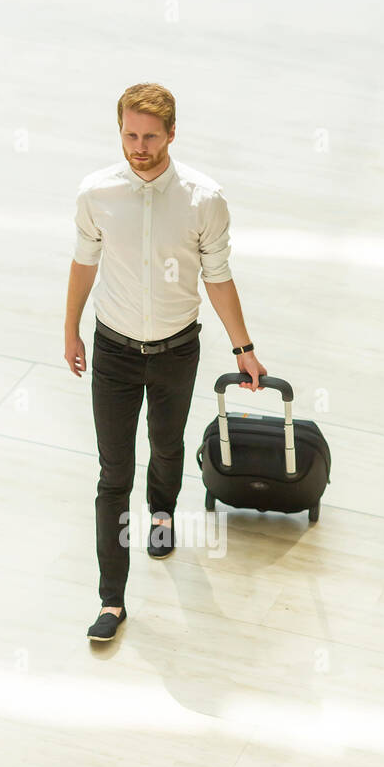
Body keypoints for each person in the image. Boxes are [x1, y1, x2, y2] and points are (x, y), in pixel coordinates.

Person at [64, 82, 266, 641]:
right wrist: (71, 331)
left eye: (151, 136)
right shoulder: (97, 193)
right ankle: (112, 600)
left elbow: (218, 277)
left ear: (172, 134)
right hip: (113, 351)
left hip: (178, 348)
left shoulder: (204, 199)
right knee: (112, 472)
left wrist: (243, 349)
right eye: (131, 134)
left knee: (169, 442)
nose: (140, 147)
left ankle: (160, 513)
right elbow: (83, 264)